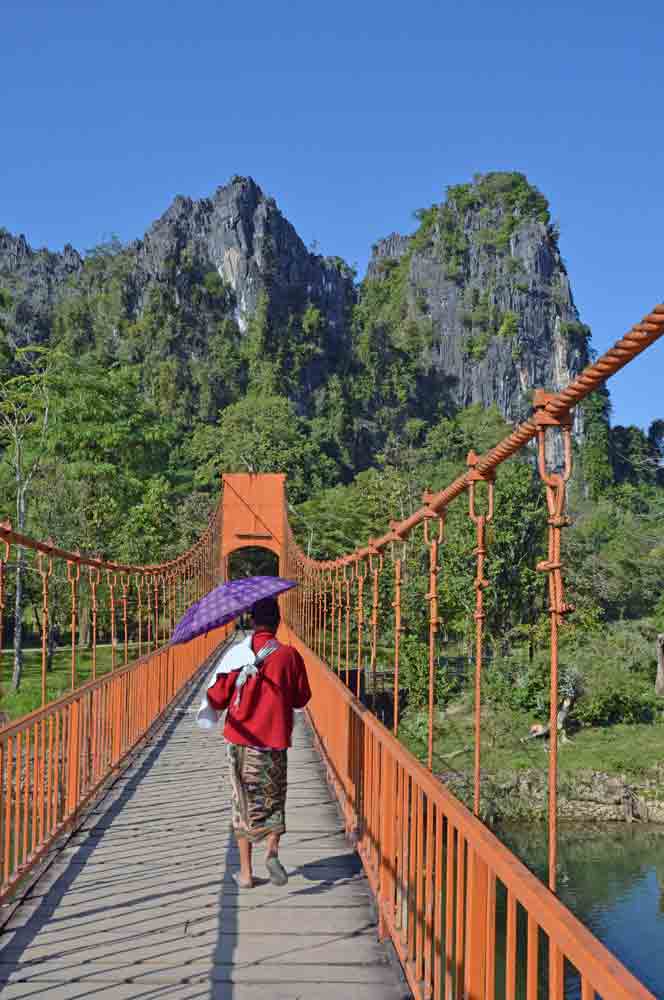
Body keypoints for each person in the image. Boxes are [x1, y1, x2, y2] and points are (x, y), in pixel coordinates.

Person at [204, 596, 311, 889]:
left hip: (241, 741)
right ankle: (273, 851)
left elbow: (216, 698)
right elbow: (302, 698)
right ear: (278, 622)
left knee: (243, 801)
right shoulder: (289, 656)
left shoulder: (236, 656)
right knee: (273, 797)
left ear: (251, 621)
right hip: (273, 741)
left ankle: (247, 873)